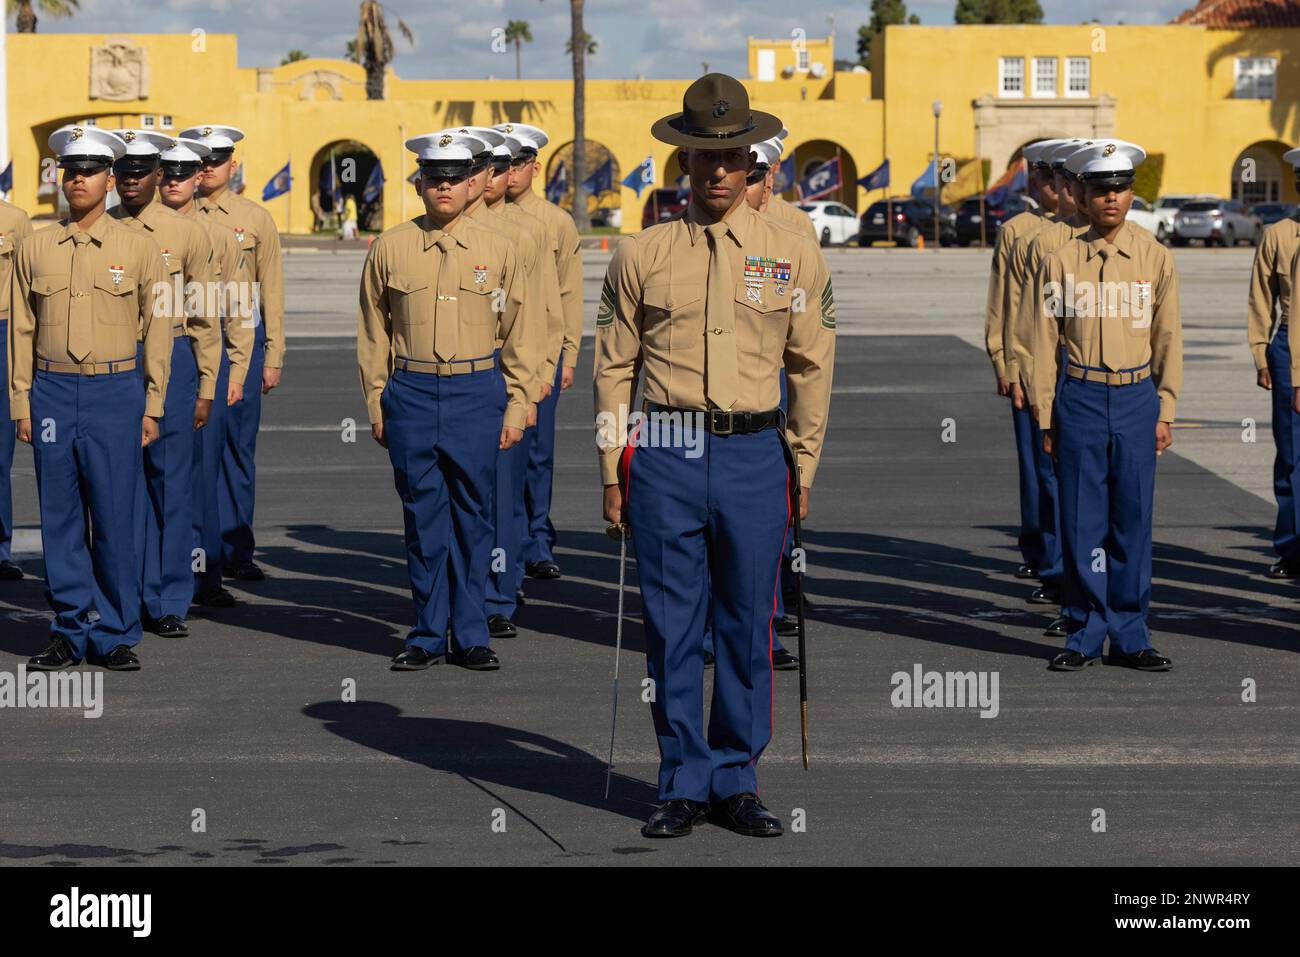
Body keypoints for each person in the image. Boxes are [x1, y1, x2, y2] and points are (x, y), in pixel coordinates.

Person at [594, 74, 835, 838]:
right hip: (664, 448)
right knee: (670, 626)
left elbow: (812, 366)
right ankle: (680, 780)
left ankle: (736, 778)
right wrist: (611, 469)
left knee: (747, 625)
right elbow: (612, 368)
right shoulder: (642, 253)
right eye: (705, 157)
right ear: (684, 161)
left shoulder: (792, 254)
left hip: (756, 452)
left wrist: (801, 463)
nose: (719, 172)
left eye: (733, 156)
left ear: (751, 158)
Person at [358, 131, 532, 672]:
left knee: (475, 515)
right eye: (434, 178)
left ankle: (473, 631)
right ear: (420, 183)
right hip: (410, 390)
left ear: (472, 183)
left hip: (476, 390)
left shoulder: (499, 250)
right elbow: (372, 332)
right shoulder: (391, 246)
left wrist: (518, 404)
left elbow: (522, 332)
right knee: (423, 516)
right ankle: (428, 632)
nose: (444, 188)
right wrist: (376, 400)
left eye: (455, 178)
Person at [9, 125, 170, 671]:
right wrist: (21, 404)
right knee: (59, 518)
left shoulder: (140, 249)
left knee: (115, 514)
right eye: (70, 171)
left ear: (108, 179)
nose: (78, 180)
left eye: (89, 171)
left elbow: (160, 330)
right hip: (52, 390)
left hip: (115, 391)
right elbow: (21, 332)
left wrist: (152, 405)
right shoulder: (34, 246)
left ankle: (116, 630)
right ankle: (68, 629)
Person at [1030, 140, 1181, 673]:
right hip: (1083, 397)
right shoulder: (1060, 258)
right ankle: (1084, 632)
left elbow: (1168, 338)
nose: (1110, 198)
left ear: (1131, 195)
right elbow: (1044, 342)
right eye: (1100, 189)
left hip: (1138, 397)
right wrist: (1046, 416)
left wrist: (1165, 409)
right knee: (1080, 520)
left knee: (1133, 519)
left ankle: (1131, 632)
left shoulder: (1155, 257)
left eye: (1119, 188)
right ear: (1082, 196)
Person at [109, 129, 220, 639]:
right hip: (114, 359)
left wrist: (206, 385)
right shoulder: (98, 228)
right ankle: (124, 589)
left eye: (141, 171)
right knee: (117, 486)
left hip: (174, 357)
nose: (131, 181)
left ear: (159, 175)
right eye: (123, 172)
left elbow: (205, 315)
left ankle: (170, 597)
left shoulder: (187, 234)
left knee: (171, 483)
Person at [447, 125, 547, 640]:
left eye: (483, 168)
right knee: (450, 501)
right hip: (442, 388)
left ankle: (496, 596)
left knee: (500, 499)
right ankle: (453, 598)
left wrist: (529, 389)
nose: (478, 179)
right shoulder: (426, 235)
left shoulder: (520, 236)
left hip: (497, 383)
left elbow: (535, 321)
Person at [153, 136, 255, 609]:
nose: (173, 182)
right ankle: (151, 574)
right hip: (145, 361)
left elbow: (235, 308)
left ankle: (204, 572)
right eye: (166, 173)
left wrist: (234, 371)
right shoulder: (133, 228)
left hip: (195, 361)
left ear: (198, 177)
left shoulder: (216, 235)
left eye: (182, 174)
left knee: (199, 473)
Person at [180, 124, 284, 583]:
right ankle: (199, 552)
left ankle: (237, 545)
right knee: (196, 452)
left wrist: (273, 352)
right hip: (191, 340)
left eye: (215, 160)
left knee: (238, 450)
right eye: (199, 159)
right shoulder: (174, 212)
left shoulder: (255, 218)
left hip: (241, 340)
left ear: (232, 165)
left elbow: (271, 288)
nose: (206, 168)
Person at [496, 122, 581, 582]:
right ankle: (506, 544)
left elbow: (567, 295)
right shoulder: (481, 215)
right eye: (500, 165)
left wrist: (566, 356)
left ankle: (536, 539)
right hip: (499, 357)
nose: (507, 174)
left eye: (516, 165)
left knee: (537, 453)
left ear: (534, 166)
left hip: (543, 355)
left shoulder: (554, 223)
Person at [1247, 147, 1300, 578]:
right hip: (1289, 347)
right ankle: (1290, 547)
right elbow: (1261, 299)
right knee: (1292, 453)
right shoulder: (1279, 234)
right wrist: (1261, 352)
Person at [0, 194, 34, 582]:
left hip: (3, 332)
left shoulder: (15, 218)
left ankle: (0, 549)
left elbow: (28, 288)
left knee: (0, 454)